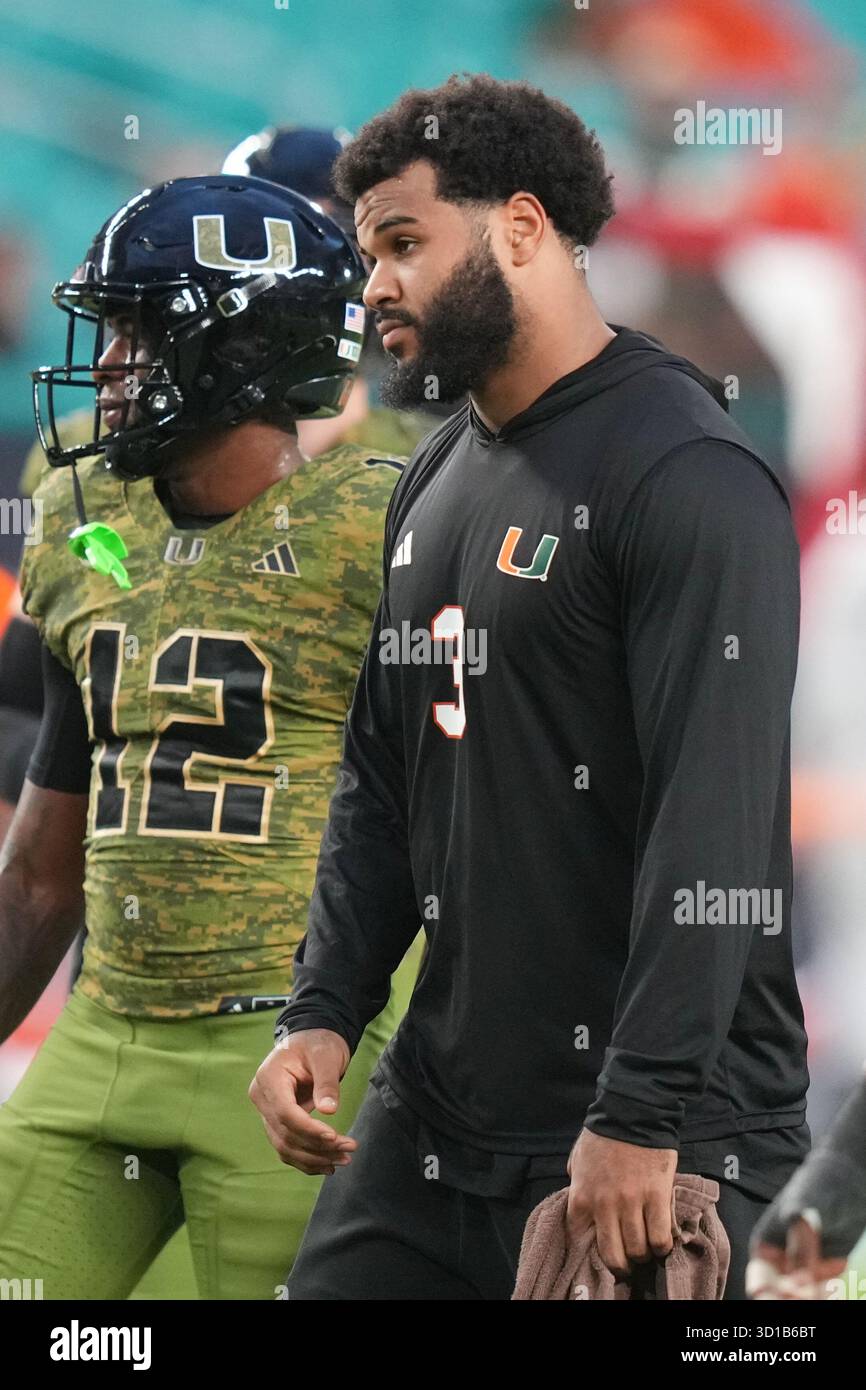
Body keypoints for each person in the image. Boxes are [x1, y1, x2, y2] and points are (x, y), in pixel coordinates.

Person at [250, 74, 810, 1302]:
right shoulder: (434, 471)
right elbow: (382, 778)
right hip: (433, 1122)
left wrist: (640, 1111)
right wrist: (324, 1007)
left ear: (518, 227)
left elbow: (710, 827)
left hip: (652, 1138)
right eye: (368, 255)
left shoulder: (687, 471)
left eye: (403, 243)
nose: (374, 286)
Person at [0, 173, 419, 1299]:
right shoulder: (84, 522)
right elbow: (43, 864)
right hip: (104, 1027)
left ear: (243, 349)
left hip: (297, 1049)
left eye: (139, 333)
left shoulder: (389, 523)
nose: (108, 366)